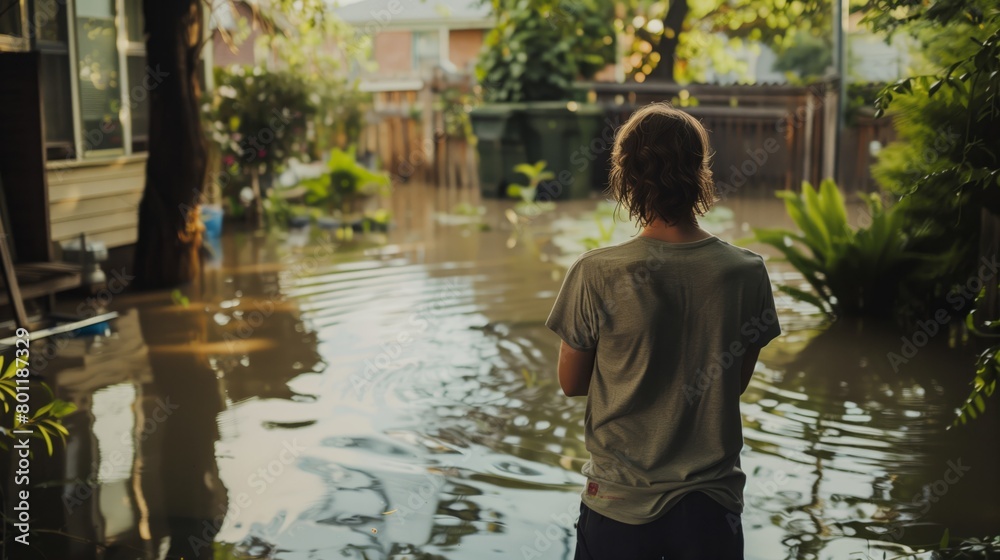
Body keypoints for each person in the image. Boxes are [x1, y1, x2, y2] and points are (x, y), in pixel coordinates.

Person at [545, 103, 781, 560]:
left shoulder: (596, 272)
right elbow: (734, 383)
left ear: (627, 177)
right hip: (711, 506)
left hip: (619, 502)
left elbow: (571, 383)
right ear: (700, 173)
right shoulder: (746, 272)